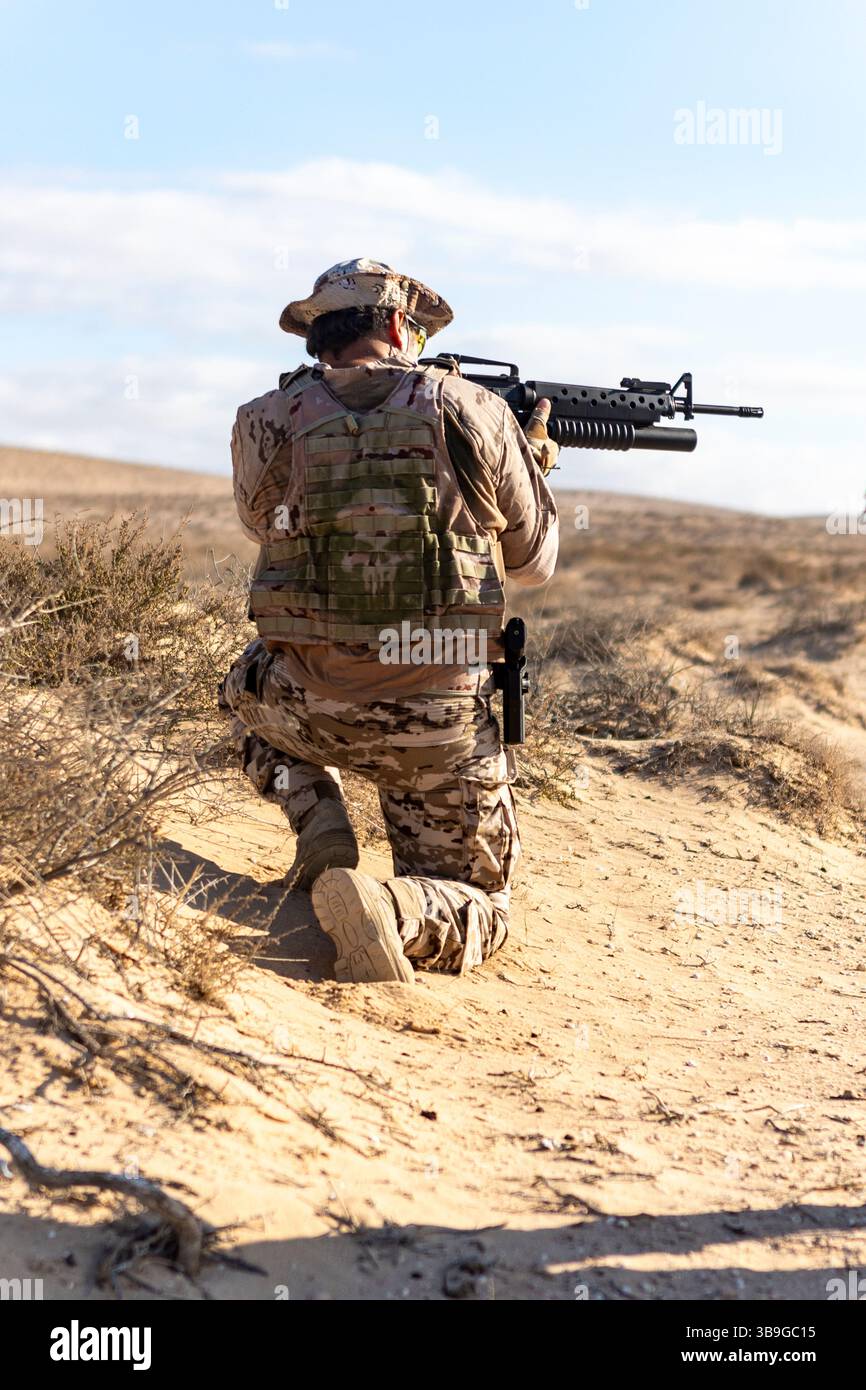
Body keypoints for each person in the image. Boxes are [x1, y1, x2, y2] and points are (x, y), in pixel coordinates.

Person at [218, 257, 558, 983]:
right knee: (484, 903)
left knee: (239, 685)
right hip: (436, 734)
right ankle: (392, 913)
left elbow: (266, 526)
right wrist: (527, 462)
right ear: (402, 325)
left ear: (318, 334)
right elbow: (533, 565)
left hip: (306, 705)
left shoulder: (261, 420)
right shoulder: (474, 409)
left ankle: (316, 815)